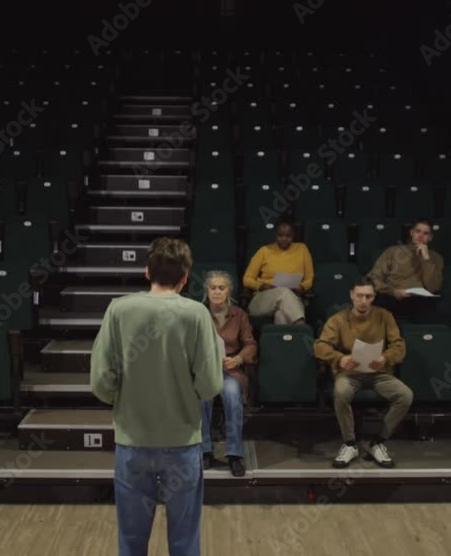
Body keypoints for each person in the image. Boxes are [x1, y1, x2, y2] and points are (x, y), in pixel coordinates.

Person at [90, 237, 224, 556]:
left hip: (132, 440)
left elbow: (100, 381)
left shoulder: (119, 310)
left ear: (146, 272)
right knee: (184, 541)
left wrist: (123, 401)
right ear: (185, 277)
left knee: (131, 541)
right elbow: (209, 386)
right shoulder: (196, 315)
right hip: (182, 443)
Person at [314, 275, 412, 469]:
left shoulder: (384, 316)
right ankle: (350, 443)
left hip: (379, 373)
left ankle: (378, 442)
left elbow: (399, 345)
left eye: (368, 296)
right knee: (341, 392)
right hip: (349, 374)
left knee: (405, 395)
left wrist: (386, 357)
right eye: (360, 296)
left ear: (374, 297)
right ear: (352, 295)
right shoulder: (339, 319)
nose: (364, 301)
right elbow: (320, 346)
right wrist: (340, 358)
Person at [199, 270, 256, 477]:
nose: (216, 292)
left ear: (228, 291)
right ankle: (205, 450)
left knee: (232, 396)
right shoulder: (199, 313)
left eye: (221, 288)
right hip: (205, 370)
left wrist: (238, 359)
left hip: (230, 369)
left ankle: (234, 454)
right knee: (202, 398)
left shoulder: (239, 314)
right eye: (213, 288)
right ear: (207, 291)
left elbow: (250, 344)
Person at [368, 218, 444, 320]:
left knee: (432, 311)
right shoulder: (393, 251)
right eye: (418, 231)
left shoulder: (436, 258)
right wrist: (393, 291)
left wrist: (426, 259)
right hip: (392, 297)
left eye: (425, 233)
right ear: (411, 232)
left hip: (420, 301)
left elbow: (434, 287)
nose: (421, 235)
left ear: (430, 237)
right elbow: (374, 278)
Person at [242, 218, 314, 325]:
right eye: (280, 235)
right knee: (283, 292)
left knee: (281, 314)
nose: (284, 239)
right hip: (263, 297)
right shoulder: (264, 251)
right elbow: (247, 279)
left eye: (288, 236)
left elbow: (309, 278)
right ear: (275, 235)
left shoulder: (302, 249)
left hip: (293, 297)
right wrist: (262, 286)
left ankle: (281, 341)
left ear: (293, 235)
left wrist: (302, 287)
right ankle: (301, 325)